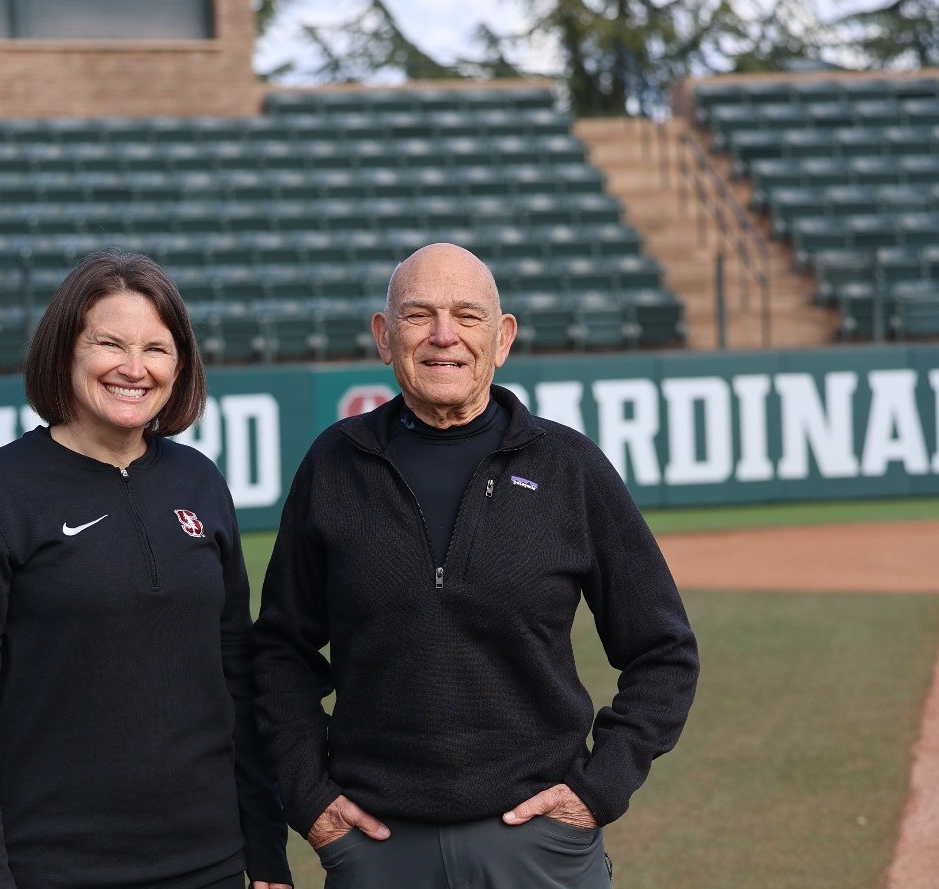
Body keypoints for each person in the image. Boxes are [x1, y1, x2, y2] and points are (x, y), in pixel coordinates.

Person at [251, 242, 699, 888]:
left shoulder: (568, 468)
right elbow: (280, 651)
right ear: (383, 336)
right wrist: (308, 797)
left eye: (465, 315)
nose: (442, 335)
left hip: (538, 849)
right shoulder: (333, 465)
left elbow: (664, 651)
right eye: (417, 315)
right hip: (376, 850)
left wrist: (597, 788)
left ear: (502, 337)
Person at [0, 249, 293, 889]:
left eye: (157, 348)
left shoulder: (200, 482)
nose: (134, 369)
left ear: (182, 364)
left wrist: (265, 854)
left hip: (212, 866)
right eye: (110, 343)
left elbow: (237, 677)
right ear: (66, 350)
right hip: (51, 867)